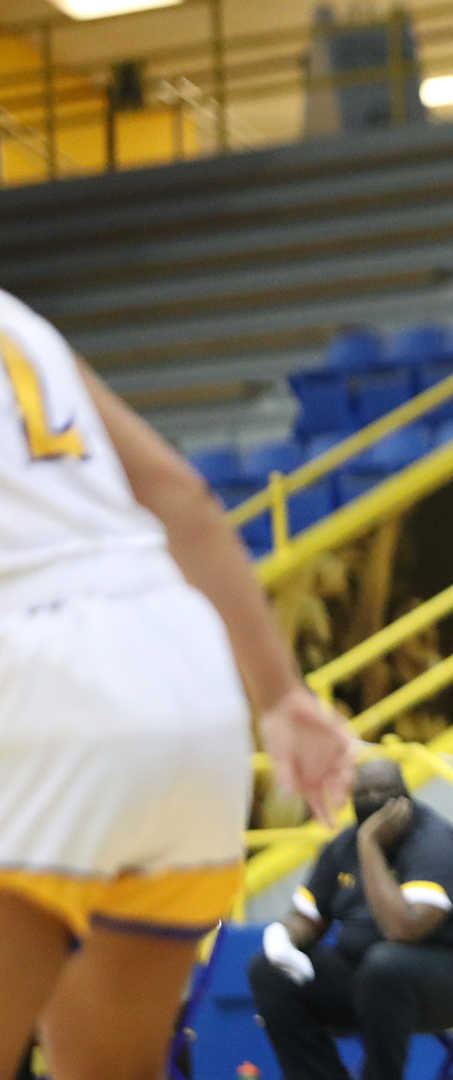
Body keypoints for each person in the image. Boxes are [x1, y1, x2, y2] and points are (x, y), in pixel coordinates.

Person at [0, 287, 356, 1077]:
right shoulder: (21, 324)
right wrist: (281, 696)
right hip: (187, 680)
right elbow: (178, 491)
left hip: (44, 683)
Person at [248, 759, 453, 1080]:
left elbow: (403, 929)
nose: (373, 798)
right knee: (269, 972)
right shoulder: (341, 846)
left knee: (385, 966)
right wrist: (281, 941)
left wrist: (369, 845)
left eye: (384, 790)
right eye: (362, 792)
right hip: (378, 978)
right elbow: (307, 916)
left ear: (404, 796)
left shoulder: (435, 842)